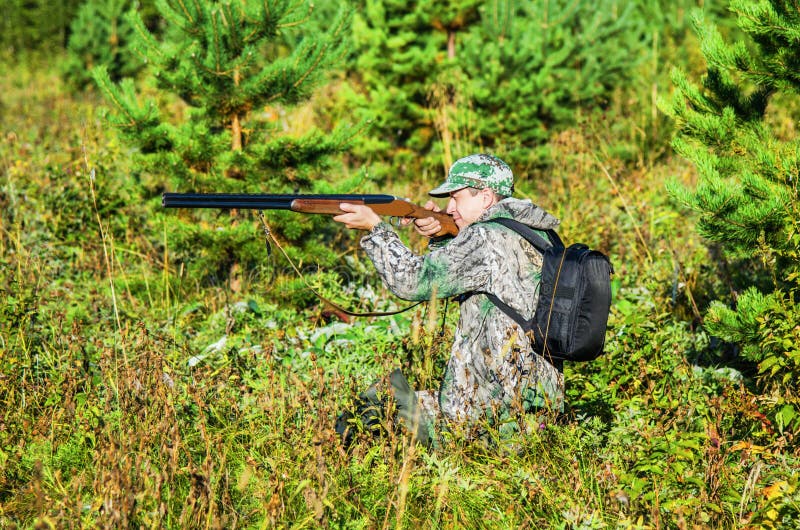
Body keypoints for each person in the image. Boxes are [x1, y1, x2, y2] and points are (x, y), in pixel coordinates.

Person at [332, 153, 564, 447]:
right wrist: (443, 235)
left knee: (379, 400)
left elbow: (412, 281)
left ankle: (333, 466)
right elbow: (484, 278)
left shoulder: (484, 237)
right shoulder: (537, 232)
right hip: (533, 412)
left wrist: (376, 230)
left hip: (486, 420)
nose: (450, 207)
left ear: (486, 198)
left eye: (456, 198)